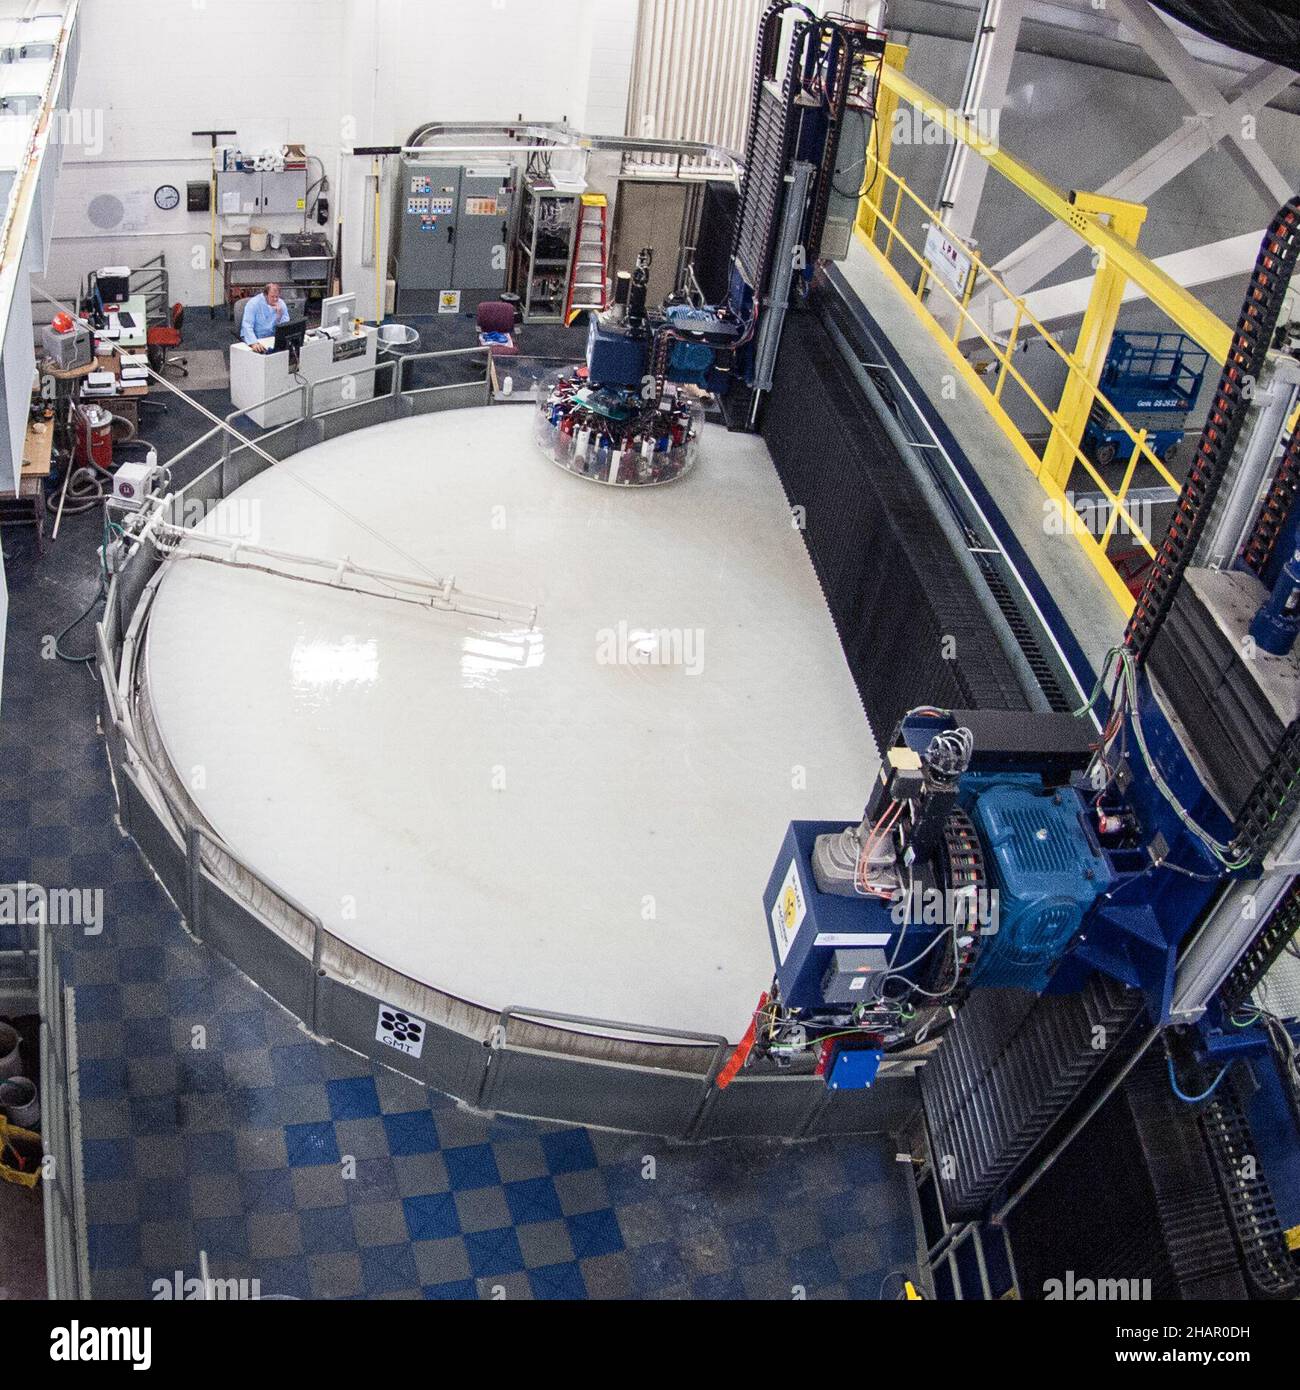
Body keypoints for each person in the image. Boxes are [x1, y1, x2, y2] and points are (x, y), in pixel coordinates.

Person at [240, 282, 290, 352]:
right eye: (272, 297)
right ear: (265, 295)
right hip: (256, 337)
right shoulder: (253, 303)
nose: (275, 299)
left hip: (271, 337)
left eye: (277, 297)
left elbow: (286, 326)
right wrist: (253, 343)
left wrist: (279, 316)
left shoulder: (281, 303)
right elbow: (247, 325)